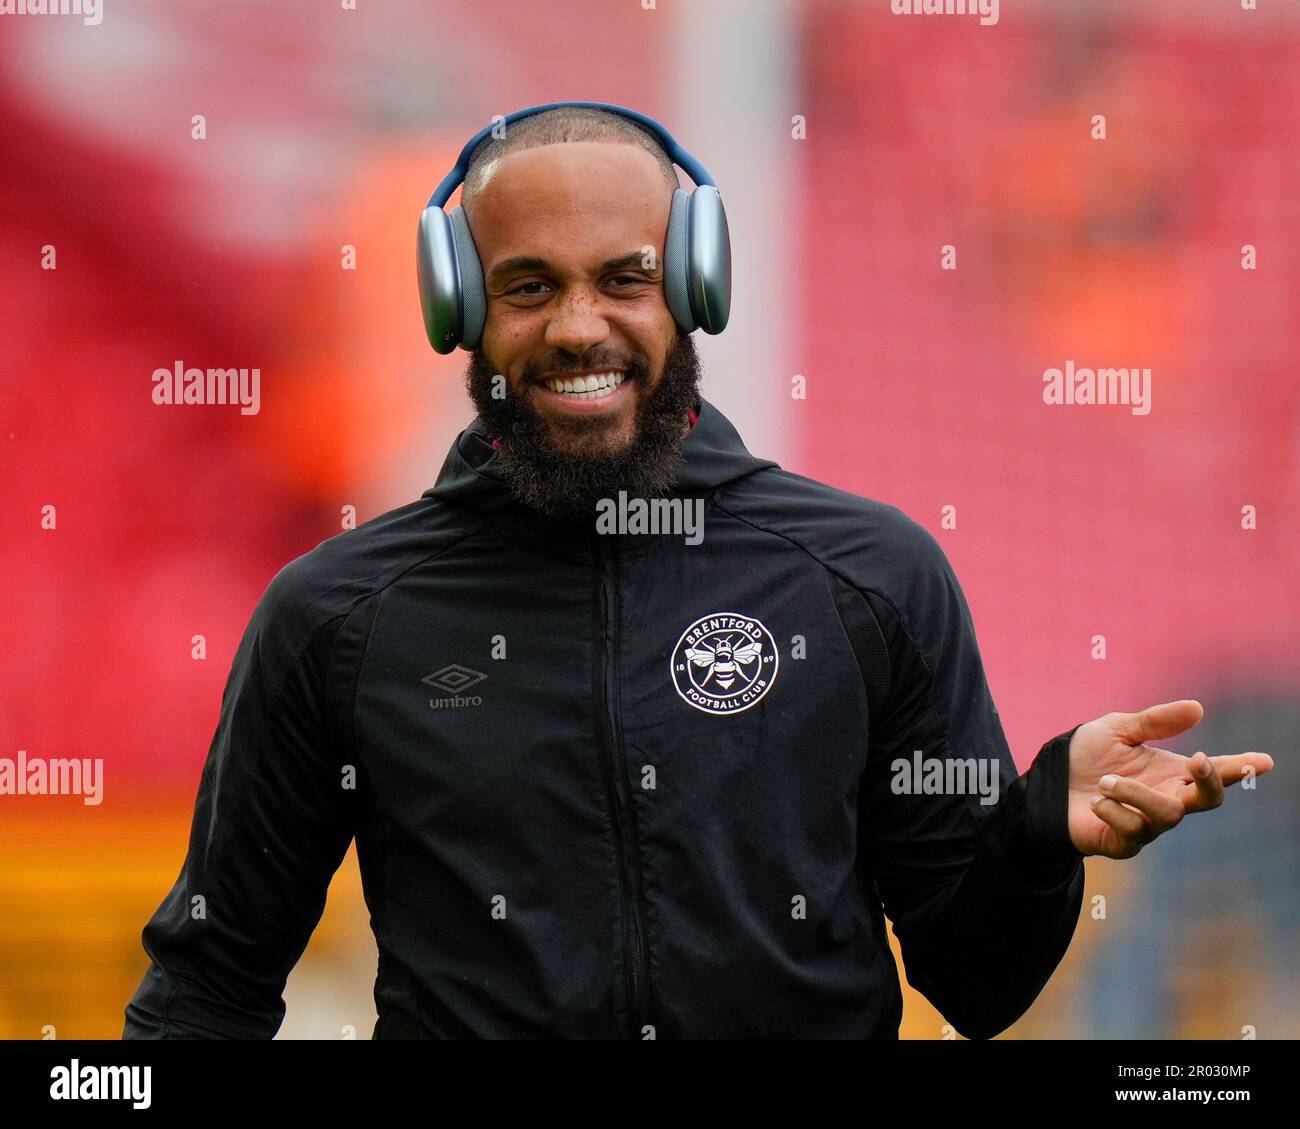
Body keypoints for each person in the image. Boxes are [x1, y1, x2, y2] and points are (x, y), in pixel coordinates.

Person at [123, 104, 1274, 1040]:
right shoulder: (335, 616)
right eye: (528, 286)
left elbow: (980, 990)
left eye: (624, 279)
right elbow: (209, 990)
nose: (580, 327)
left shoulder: (870, 576)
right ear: (458, 305)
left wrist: (1027, 833)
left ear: (694, 287)